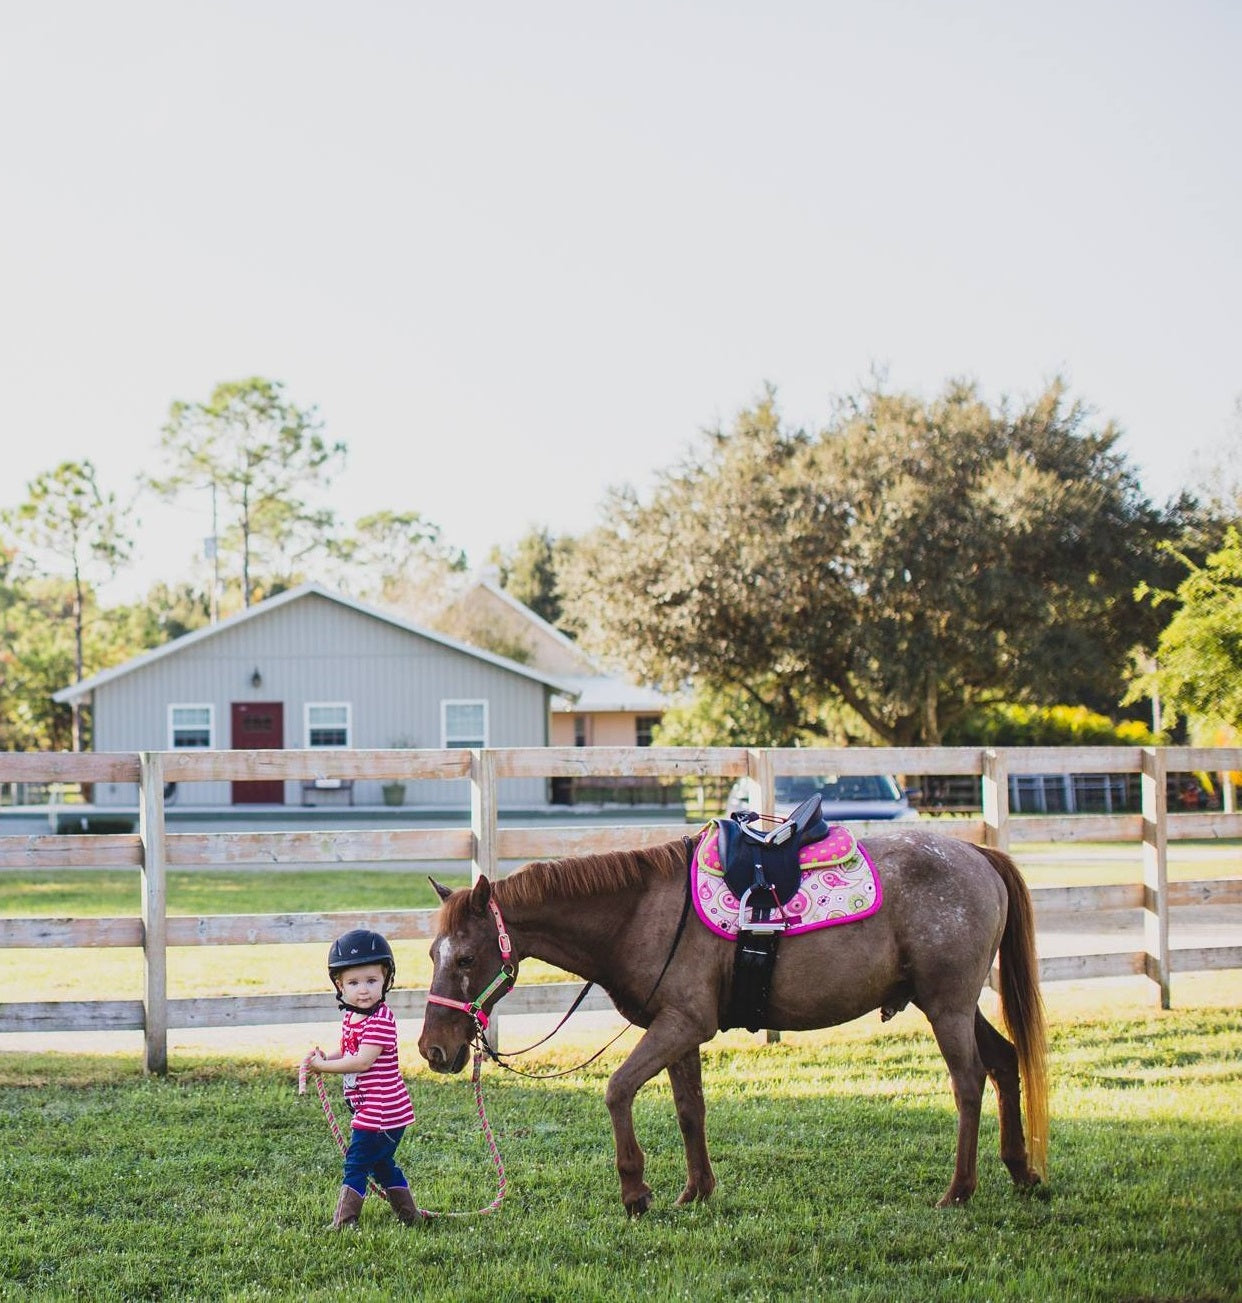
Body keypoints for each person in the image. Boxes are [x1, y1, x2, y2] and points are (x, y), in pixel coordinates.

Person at [301, 929, 420, 1229]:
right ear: (339, 985)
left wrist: (322, 1069)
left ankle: (344, 1221)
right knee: (381, 1166)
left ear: (386, 980)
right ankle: (409, 1215)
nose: (363, 990)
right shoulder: (353, 1016)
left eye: (371, 981)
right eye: (353, 983)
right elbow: (348, 1049)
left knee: (355, 1165)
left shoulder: (380, 1019)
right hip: (377, 1111)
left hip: (381, 1114)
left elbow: (363, 1061)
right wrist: (326, 1058)